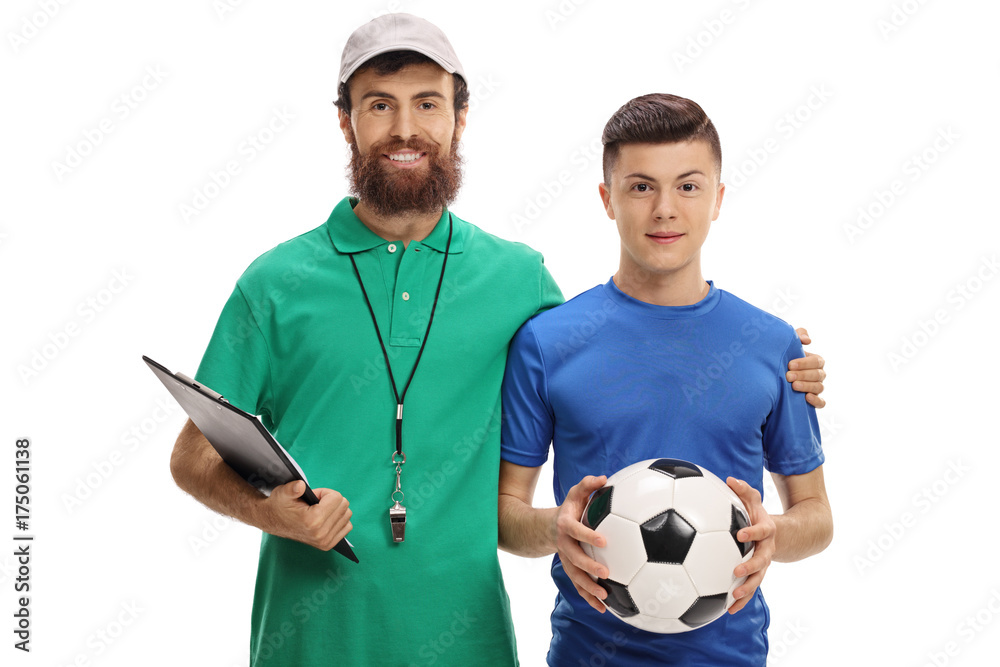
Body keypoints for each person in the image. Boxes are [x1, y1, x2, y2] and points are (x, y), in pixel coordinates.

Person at [168, 14, 827, 666]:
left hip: (470, 645)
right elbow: (192, 455)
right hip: (309, 644)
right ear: (345, 120)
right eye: (379, 105)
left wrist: (768, 352)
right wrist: (275, 512)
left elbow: (613, 349)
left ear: (459, 117)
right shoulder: (275, 282)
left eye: (428, 103)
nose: (405, 128)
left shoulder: (518, 280)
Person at [497, 93, 833, 666]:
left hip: (730, 655)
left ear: (719, 198)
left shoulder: (772, 344)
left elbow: (816, 516)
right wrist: (559, 528)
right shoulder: (548, 342)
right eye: (641, 186)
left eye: (688, 185)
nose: (665, 210)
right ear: (607, 198)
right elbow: (505, 515)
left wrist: (772, 533)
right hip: (586, 653)